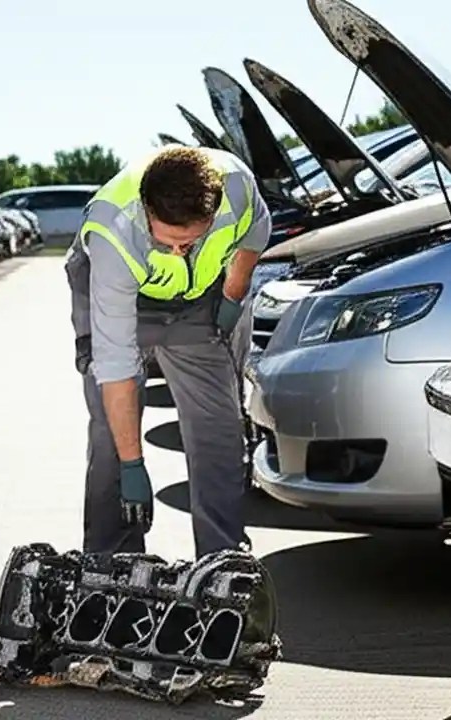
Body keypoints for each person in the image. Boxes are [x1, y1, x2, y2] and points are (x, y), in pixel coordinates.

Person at [65, 145, 270, 558]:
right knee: (111, 435)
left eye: (191, 241)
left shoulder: (237, 189)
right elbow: (117, 365)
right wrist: (132, 465)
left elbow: (253, 236)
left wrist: (233, 295)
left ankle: (222, 559)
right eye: (170, 241)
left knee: (219, 430)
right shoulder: (113, 232)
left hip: (196, 299)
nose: (179, 251)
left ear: (211, 216)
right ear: (146, 210)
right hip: (123, 299)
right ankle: (112, 562)